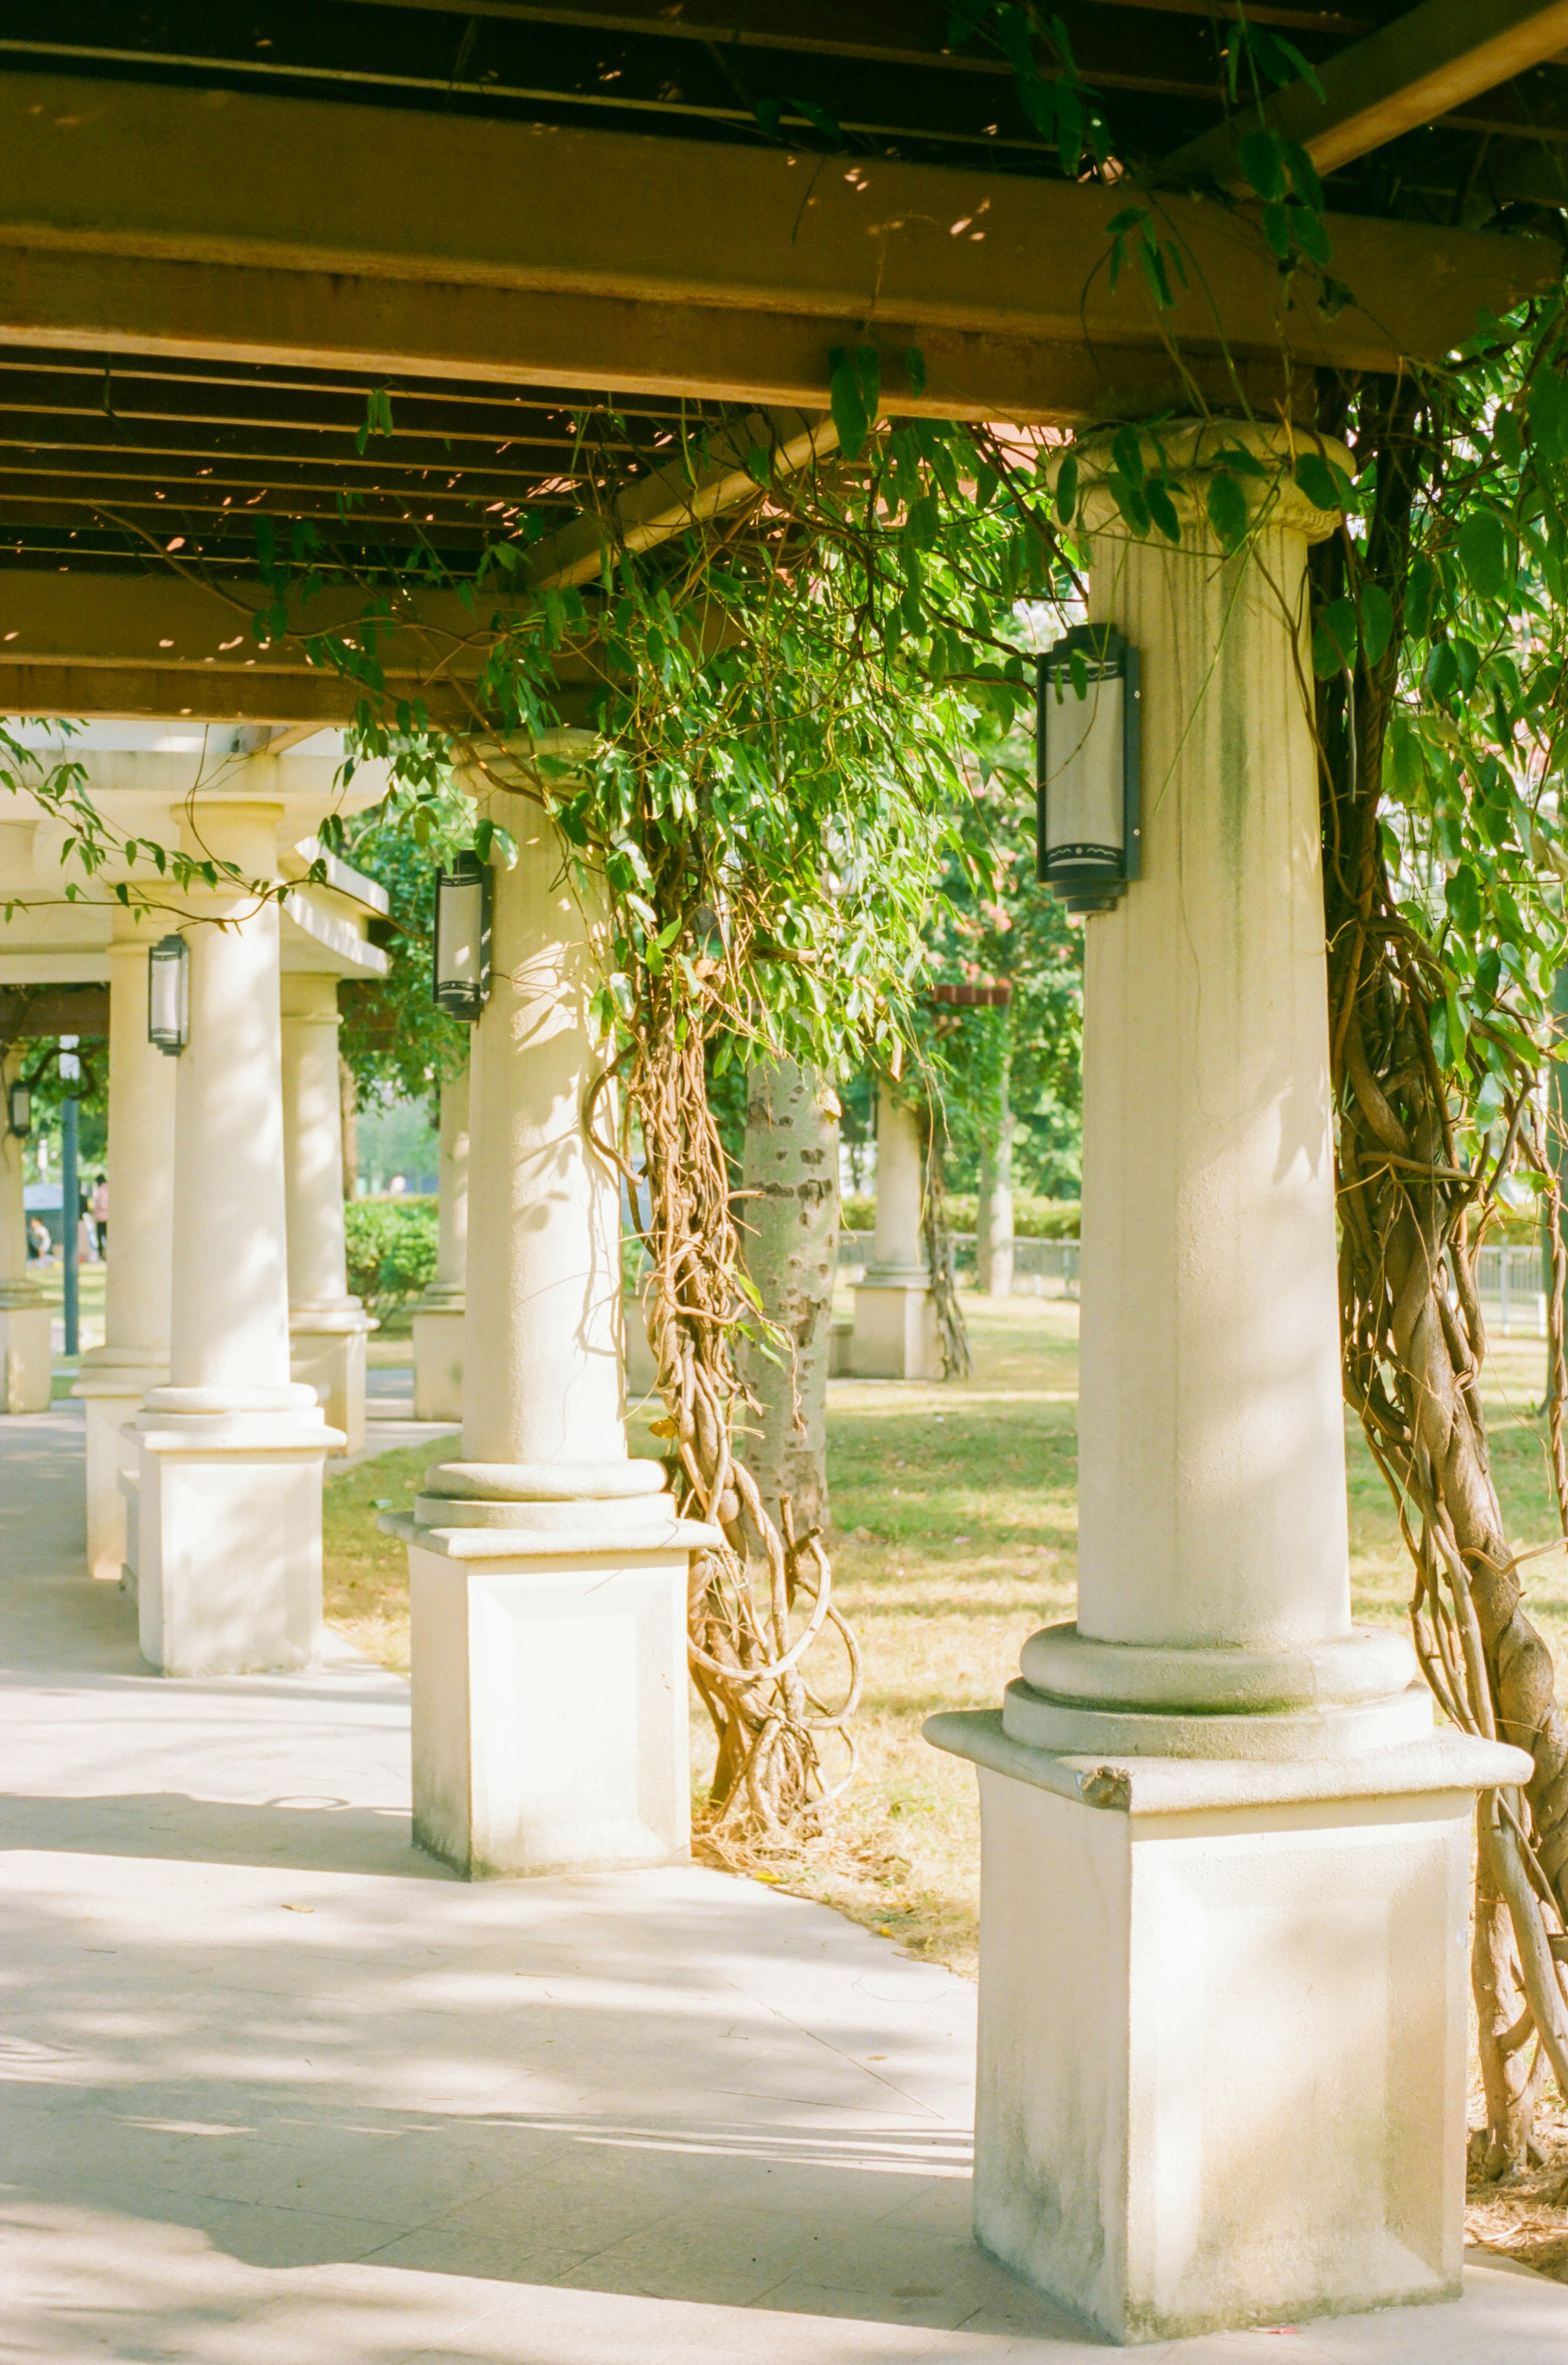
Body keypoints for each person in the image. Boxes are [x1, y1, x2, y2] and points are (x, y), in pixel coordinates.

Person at [90, 1172, 108, 1256]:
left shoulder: (101, 1190)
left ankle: (101, 1254)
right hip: (107, 1217)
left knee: (101, 1237)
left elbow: (102, 1204)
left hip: (101, 1217)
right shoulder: (108, 1189)